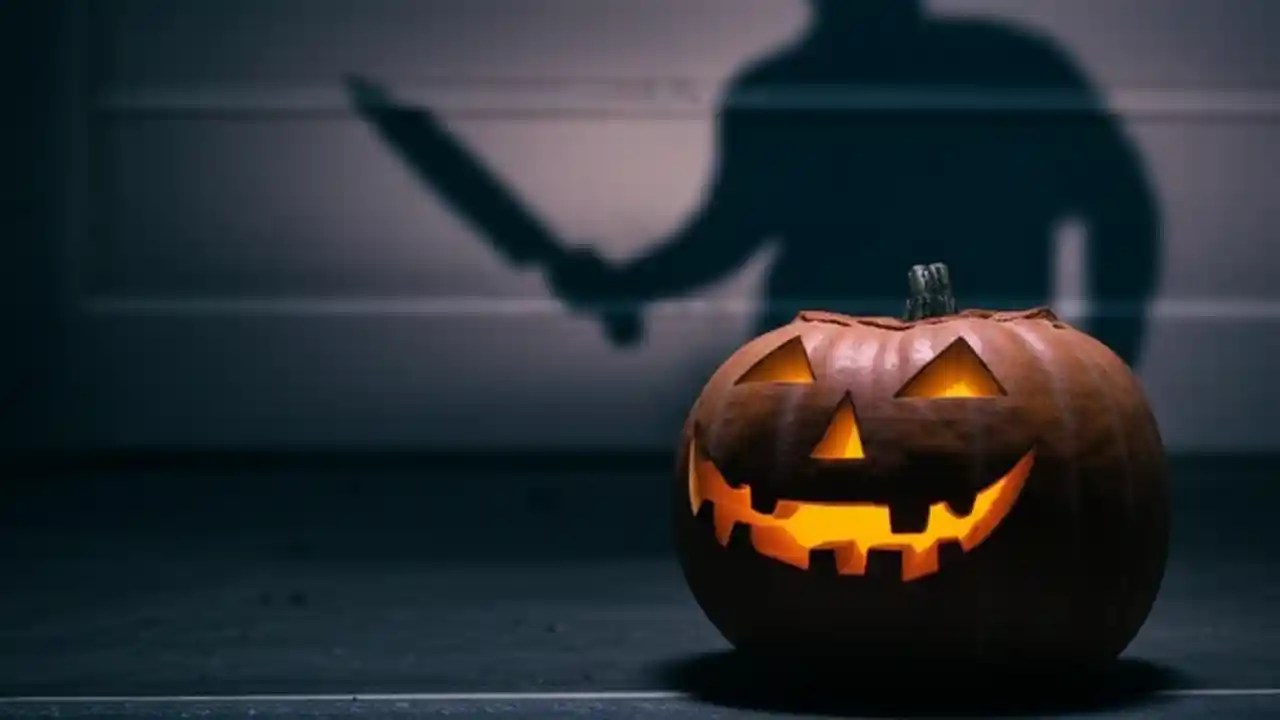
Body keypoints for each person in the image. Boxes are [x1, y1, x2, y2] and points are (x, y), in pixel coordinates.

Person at [550, 0, 1159, 366]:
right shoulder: (1011, 64)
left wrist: (623, 286)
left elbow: (725, 236)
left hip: (947, 372)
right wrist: (1109, 357)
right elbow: (727, 233)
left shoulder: (1011, 67)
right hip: (829, 371)